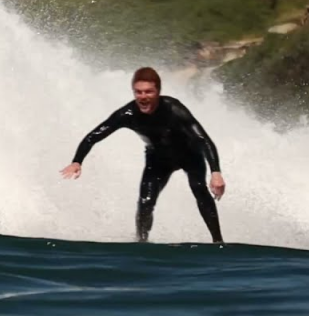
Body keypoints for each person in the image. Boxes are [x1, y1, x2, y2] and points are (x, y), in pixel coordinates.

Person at [59, 67, 226, 244]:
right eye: (138, 92)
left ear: (158, 92)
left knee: (199, 189)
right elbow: (94, 136)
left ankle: (218, 242)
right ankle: (142, 243)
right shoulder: (127, 114)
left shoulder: (173, 108)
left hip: (190, 154)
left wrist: (216, 172)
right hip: (158, 159)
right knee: (145, 202)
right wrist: (77, 161)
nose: (143, 96)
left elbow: (203, 139)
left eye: (148, 92)